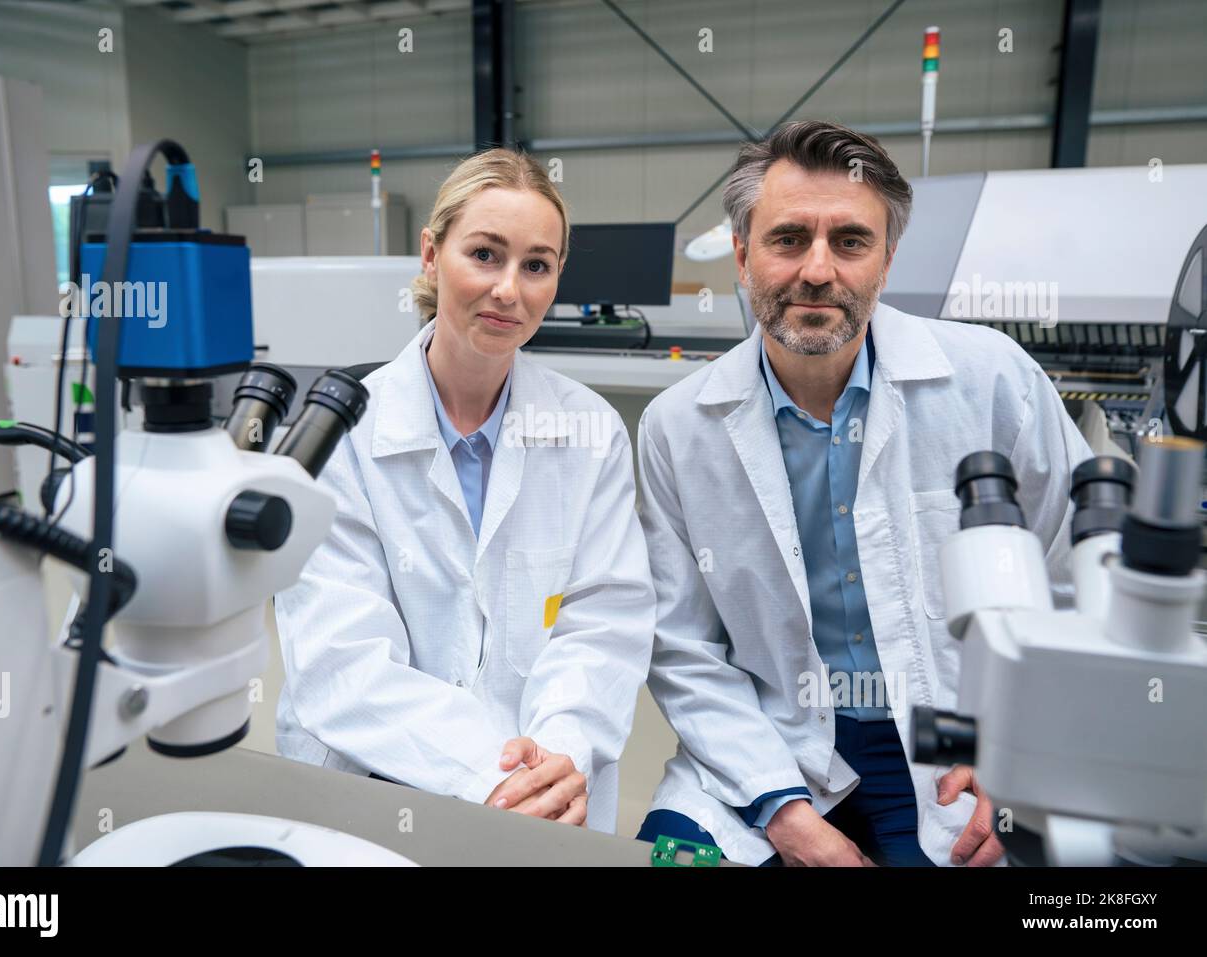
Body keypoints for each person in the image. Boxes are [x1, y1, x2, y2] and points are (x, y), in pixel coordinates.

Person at [635, 120, 1094, 865]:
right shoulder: (678, 426)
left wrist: (1022, 745)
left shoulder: (991, 380)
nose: (818, 270)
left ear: (887, 259)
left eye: (850, 241)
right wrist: (784, 812)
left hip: (957, 732)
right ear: (744, 253)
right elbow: (683, 647)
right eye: (788, 239)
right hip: (772, 733)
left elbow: (1078, 579)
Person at [274, 148, 654, 831]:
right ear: (430, 255)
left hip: (544, 795)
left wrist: (559, 754)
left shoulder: (589, 430)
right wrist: (494, 775)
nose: (510, 288)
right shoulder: (343, 434)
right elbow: (342, 660)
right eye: (485, 253)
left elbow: (602, 625)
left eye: (536, 264)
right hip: (374, 786)